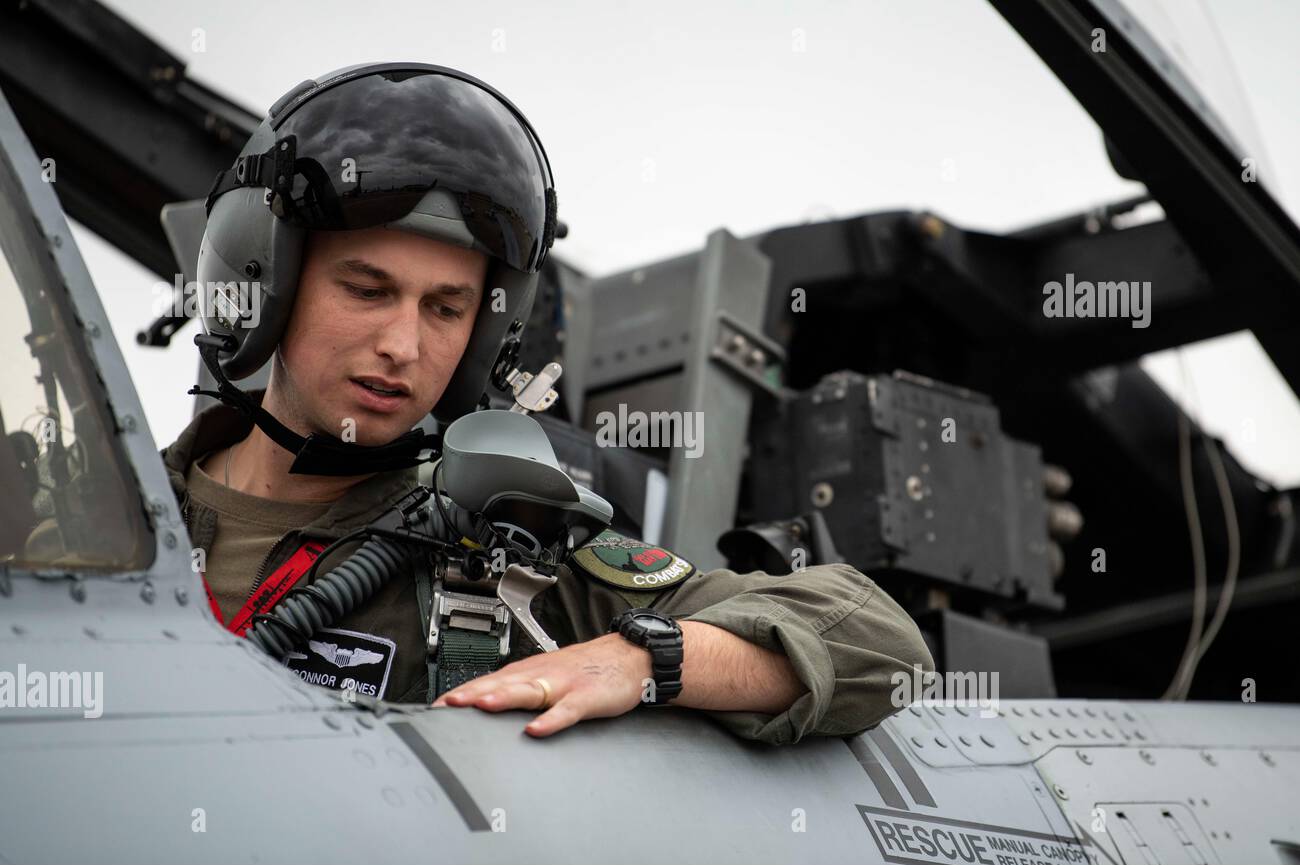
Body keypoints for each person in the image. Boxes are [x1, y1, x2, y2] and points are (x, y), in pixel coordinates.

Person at [161, 62, 932, 746]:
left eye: (446, 308)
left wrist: (642, 657)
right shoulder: (101, 515)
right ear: (267, 283)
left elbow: (876, 640)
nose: (404, 344)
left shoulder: (505, 547)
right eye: (367, 290)